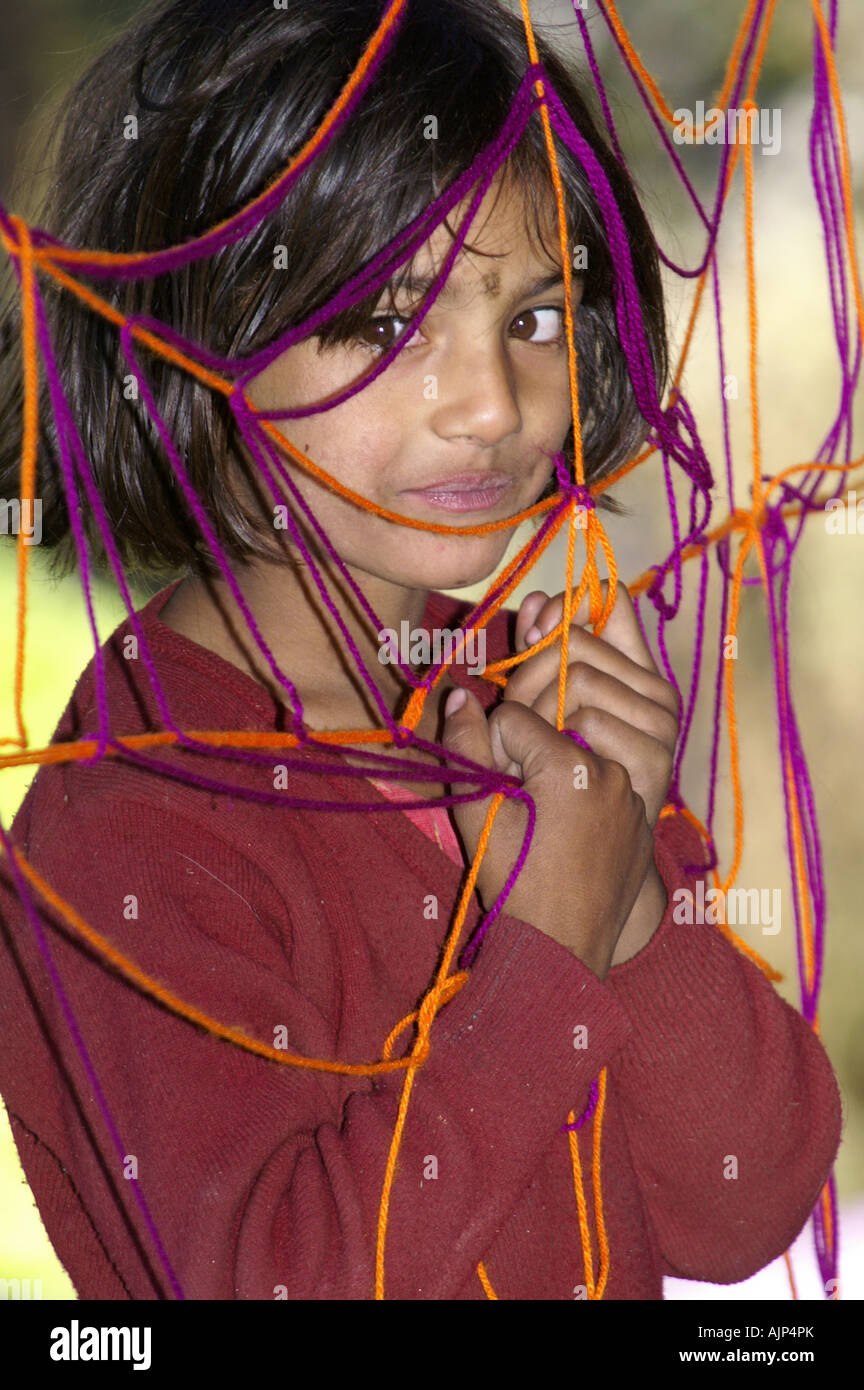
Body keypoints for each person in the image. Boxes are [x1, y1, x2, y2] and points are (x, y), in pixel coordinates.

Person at [0, 0, 842, 1300]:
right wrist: (550, 940)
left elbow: (749, 1197)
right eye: (386, 326)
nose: (494, 405)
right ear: (195, 346)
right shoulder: (130, 832)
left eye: (538, 317)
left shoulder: (539, 696)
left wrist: (625, 899)